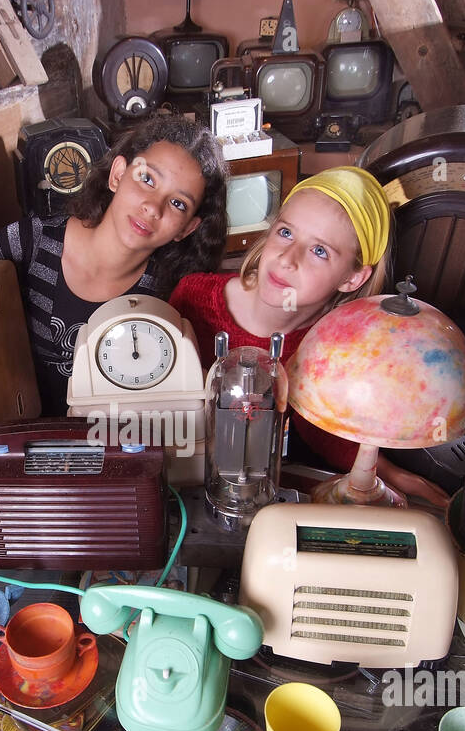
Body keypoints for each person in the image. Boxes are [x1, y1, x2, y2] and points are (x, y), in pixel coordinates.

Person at [169, 165, 450, 507]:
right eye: (286, 233)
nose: (288, 258)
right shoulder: (192, 296)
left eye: (320, 251)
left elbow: (325, 431)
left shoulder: (335, 348)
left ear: (353, 278)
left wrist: (389, 474)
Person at [0, 115, 228, 415]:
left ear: (187, 228)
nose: (152, 207)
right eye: (147, 179)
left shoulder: (171, 298)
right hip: (19, 438)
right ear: (117, 174)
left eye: (178, 203)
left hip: (117, 445)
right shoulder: (26, 243)